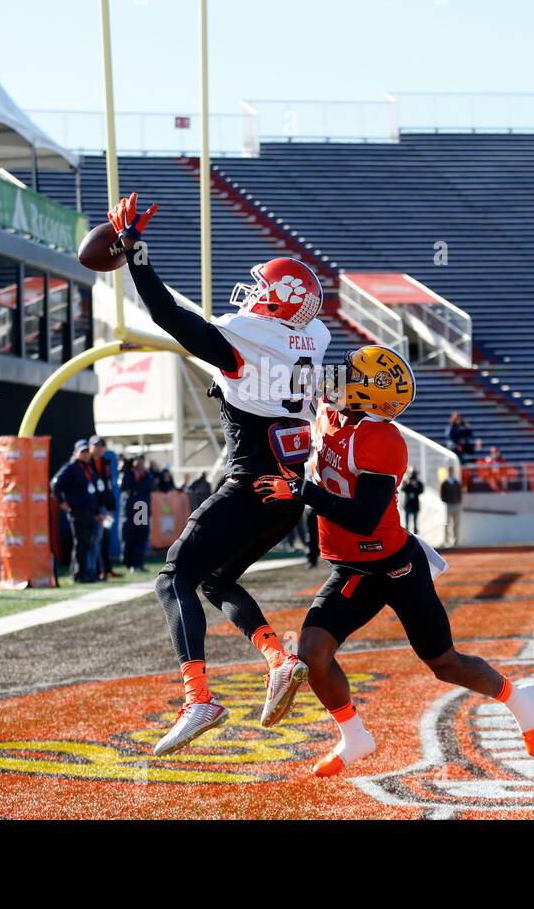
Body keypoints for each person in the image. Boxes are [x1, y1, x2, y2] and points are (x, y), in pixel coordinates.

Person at [253, 345, 534, 777]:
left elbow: (365, 516)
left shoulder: (382, 440)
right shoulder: (331, 412)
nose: (338, 379)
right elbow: (289, 379)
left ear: (368, 395)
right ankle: (354, 735)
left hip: (394, 566)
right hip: (351, 567)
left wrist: (303, 492)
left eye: (350, 376)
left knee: (445, 665)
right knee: (312, 653)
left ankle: (517, 697)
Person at [112, 192, 330, 755]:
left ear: (281, 302)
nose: (254, 294)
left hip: (250, 487)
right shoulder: (312, 343)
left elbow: (168, 315)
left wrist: (135, 252)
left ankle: (198, 699)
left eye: (265, 290)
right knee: (214, 579)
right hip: (286, 497)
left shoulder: (248, 340)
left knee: (172, 578)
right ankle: (279, 660)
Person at [52, 440, 102, 583]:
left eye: (87, 451)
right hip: (77, 511)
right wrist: (62, 503)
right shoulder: (71, 467)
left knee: (87, 543)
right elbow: (55, 484)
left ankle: (85, 572)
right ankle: (77, 574)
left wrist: (98, 512)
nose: (85, 454)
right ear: (75, 453)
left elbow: (93, 493)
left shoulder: (88, 468)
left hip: (90, 511)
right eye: (82, 452)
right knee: (80, 543)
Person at [89, 436, 120, 579]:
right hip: (93, 507)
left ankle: (106, 569)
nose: (99, 448)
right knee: (96, 540)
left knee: (105, 539)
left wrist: (111, 506)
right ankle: (96, 570)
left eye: (101, 446)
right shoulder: (87, 463)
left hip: (105, 507)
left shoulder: (106, 462)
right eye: (96, 445)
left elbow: (108, 486)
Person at [120, 455, 154, 573]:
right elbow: (125, 487)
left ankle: (138, 563)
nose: (139, 462)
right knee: (129, 537)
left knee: (141, 536)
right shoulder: (127, 473)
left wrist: (135, 492)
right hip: (129, 510)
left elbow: (146, 487)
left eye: (141, 460)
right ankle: (128, 562)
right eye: (137, 460)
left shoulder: (147, 475)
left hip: (142, 509)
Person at [439, 462, 462, 548]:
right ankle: (446, 541)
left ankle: (456, 541)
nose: (450, 472)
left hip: (456, 505)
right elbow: (442, 494)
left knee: (456, 524)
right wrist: (446, 502)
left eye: (451, 471)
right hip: (448, 505)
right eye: (449, 471)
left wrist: (458, 502)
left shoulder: (456, 482)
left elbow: (459, 494)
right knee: (446, 523)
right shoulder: (444, 483)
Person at [401, 467, 423, 533]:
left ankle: (415, 533)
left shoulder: (418, 482)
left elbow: (421, 491)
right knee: (407, 523)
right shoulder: (406, 481)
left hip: (415, 504)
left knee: (415, 522)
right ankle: (406, 533)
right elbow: (403, 489)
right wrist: (408, 483)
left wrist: (416, 486)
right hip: (407, 504)